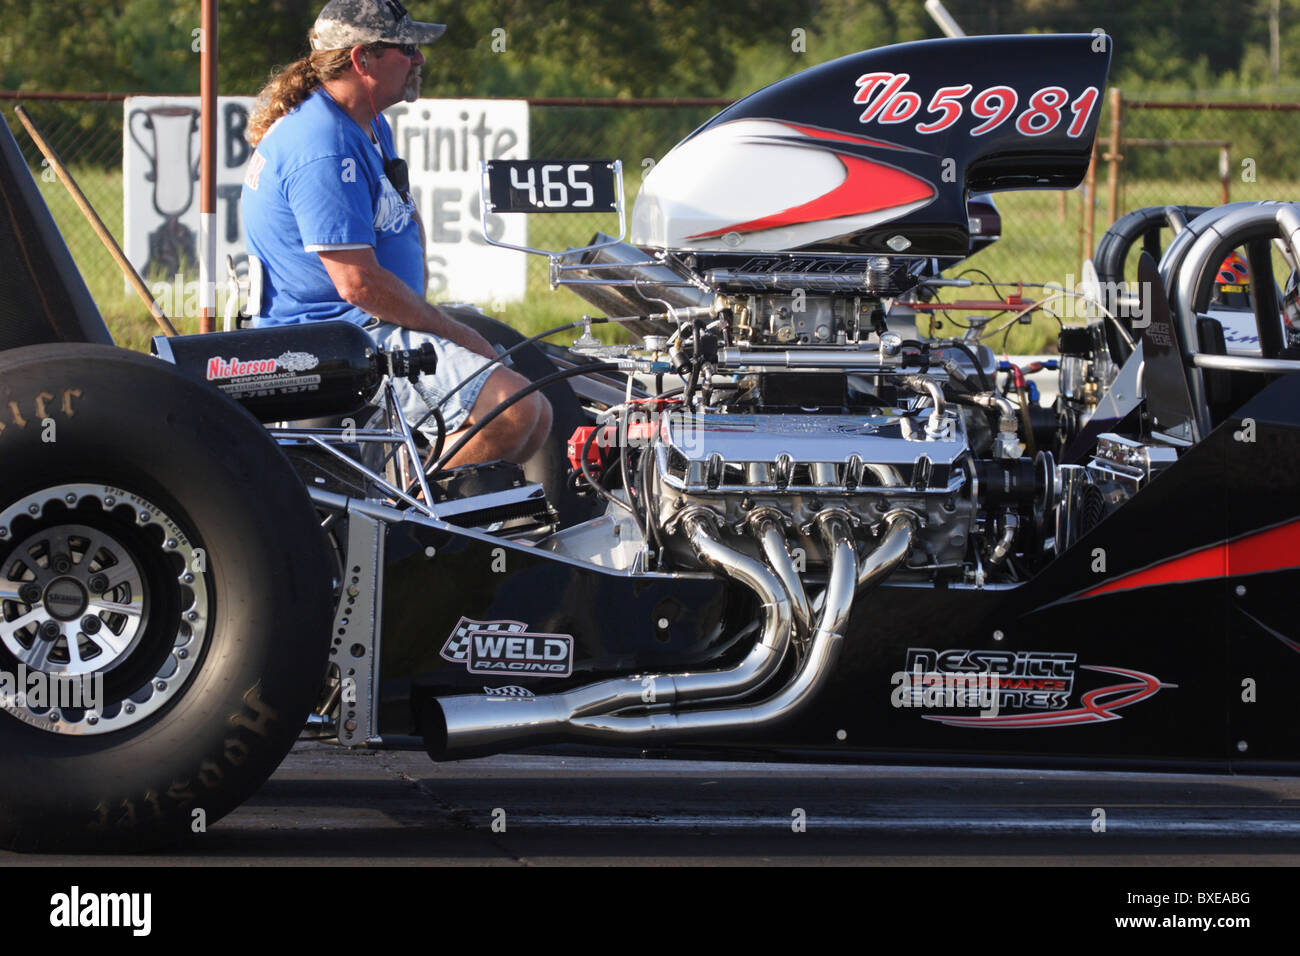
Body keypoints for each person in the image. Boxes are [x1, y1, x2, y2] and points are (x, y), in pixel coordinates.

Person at [240, 0, 551, 467]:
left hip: (369, 324)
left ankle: (453, 524)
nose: (420, 59)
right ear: (363, 59)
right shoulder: (322, 144)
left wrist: (437, 319)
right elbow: (356, 283)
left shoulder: (365, 122)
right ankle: (395, 519)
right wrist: (454, 332)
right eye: (407, 48)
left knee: (539, 414)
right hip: (338, 339)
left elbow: (401, 214)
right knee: (515, 411)